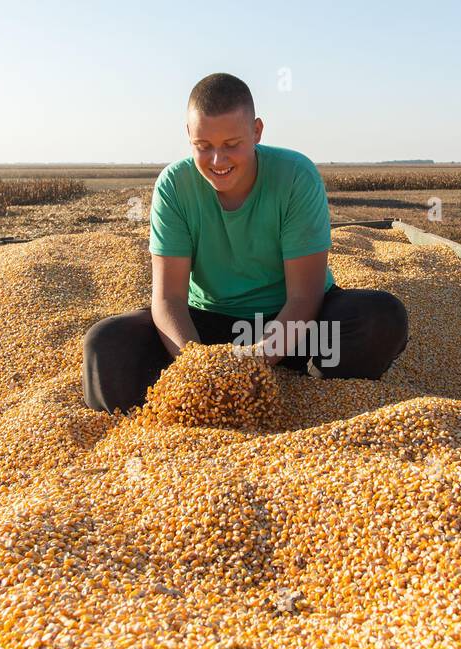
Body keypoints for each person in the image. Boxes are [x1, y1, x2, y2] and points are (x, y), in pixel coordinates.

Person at [83, 72, 409, 412]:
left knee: (379, 319)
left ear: (256, 131)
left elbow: (304, 295)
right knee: (106, 345)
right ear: (189, 136)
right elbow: (168, 298)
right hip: (207, 327)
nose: (217, 161)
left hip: (297, 326)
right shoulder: (173, 186)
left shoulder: (295, 175)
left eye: (231, 145)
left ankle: (311, 389)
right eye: (204, 147)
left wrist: (255, 359)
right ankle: (187, 401)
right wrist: (200, 365)